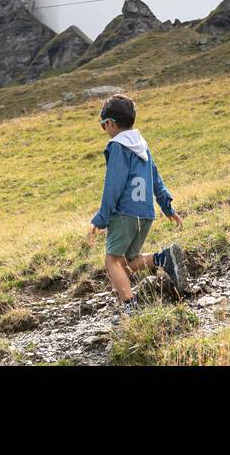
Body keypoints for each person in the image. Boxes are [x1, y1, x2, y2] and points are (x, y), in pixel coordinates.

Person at [88, 93, 189, 316]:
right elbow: (156, 178)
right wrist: (167, 207)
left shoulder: (117, 146)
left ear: (111, 123)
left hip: (124, 213)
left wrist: (102, 217)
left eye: (103, 125)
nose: (104, 130)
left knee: (112, 262)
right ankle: (163, 258)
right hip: (145, 213)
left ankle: (130, 306)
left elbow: (113, 184)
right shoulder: (142, 146)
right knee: (126, 262)